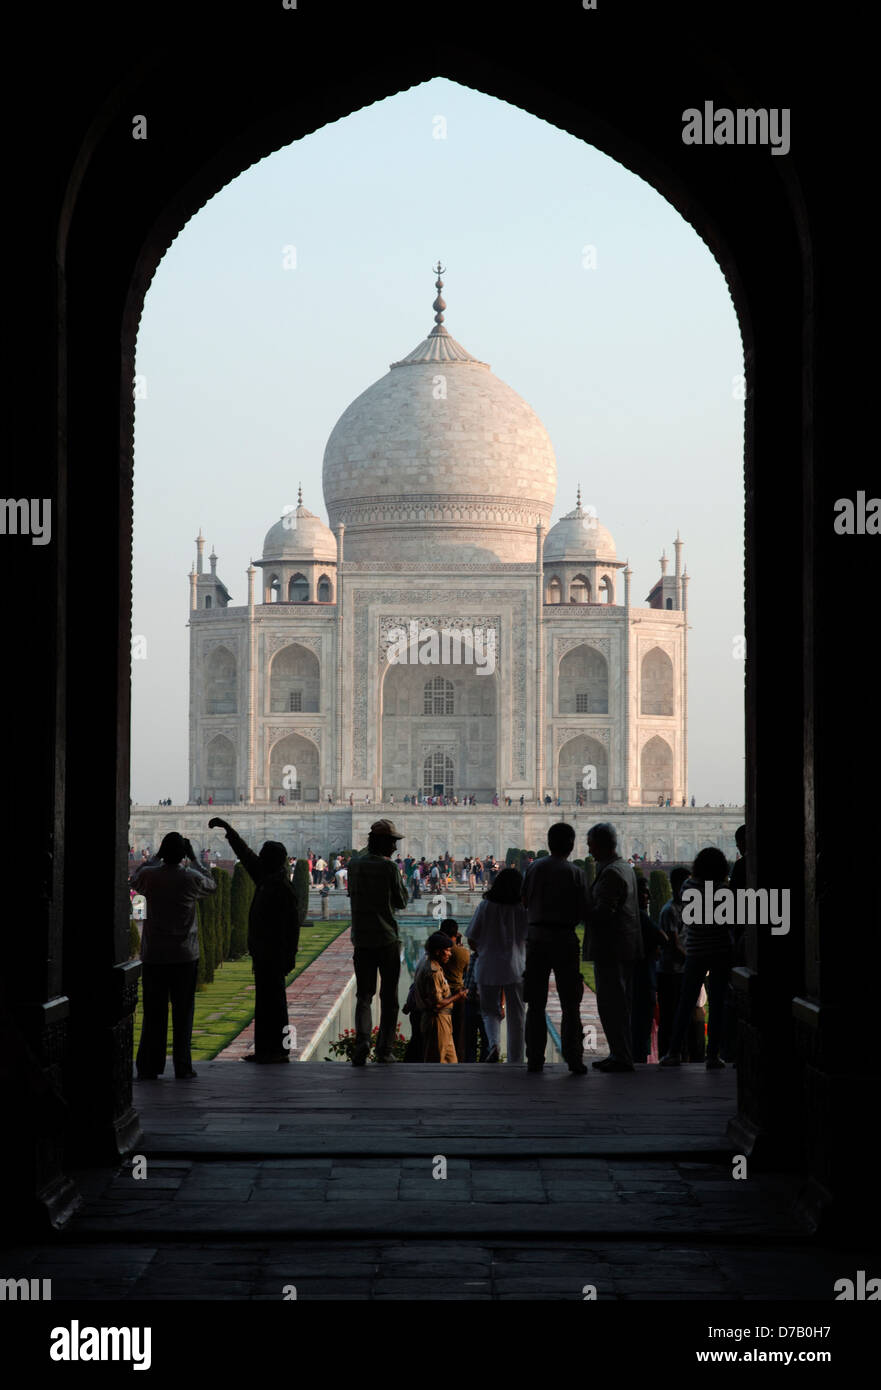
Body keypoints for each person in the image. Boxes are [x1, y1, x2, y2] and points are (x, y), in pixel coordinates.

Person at [209, 818, 301, 1062]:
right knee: (266, 1004)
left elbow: (292, 928)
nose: (259, 858)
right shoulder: (269, 879)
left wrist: (289, 955)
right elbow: (247, 856)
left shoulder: (281, 887)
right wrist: (230, 832)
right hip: (264, 954)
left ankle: (282, 1051)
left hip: (274, 955)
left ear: (272, 860)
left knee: (277, 1005)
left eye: (264, 856)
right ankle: (266, 1051)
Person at [129, 832, 216, 1080]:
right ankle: (182, 1066)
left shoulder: (150, 876)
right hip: (184, 955)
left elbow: (133, 879)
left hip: (155, 955)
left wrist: (154, 857)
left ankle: (149, 1066)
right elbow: (212, 885)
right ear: (183, 855)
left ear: (162, 853)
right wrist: (196, 860)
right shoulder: (191, 878)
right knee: (183, 1012)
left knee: (154, 1012)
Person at [522, 823, 590, 1074]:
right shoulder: (575, 872)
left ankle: (535, 1059)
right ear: (571, 845)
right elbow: (584, 908)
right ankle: (574, 1058)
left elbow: (525, 900)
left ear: (549, 842)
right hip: (564, 938)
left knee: (536, 1003)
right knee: (570, 1003)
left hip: (537, 937)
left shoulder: (533, 868)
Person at [660, 847, 732, 1069]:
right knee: (718, 1004)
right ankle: (713, 1055)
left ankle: (673, 1052)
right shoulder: (723, 889)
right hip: (720, 950)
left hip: (696, 951)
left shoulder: (688, 886)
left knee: (685, 1003)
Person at [346, 819, 409, 1065]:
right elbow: (402, 901)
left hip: (362, 938)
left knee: (364, 995)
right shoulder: (389, 868)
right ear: (384, 843)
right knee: (389, 997)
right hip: (386, 939)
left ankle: (361, 1045)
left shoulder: (354, 865)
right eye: (393, 842)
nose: (395, 847)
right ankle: (384, 1050)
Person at [583, 822, 643, 1072]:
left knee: (612, 1004)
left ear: (601, 845)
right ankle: (619, 1053)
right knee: (616, 1004)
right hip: (621, 947)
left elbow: (603, 912)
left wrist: (580, 909)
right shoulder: (621, 867)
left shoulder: (612, 873)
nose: (589, 850)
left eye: (591, 845)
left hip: (612, 948)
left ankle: (622, 1056)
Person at [466, 866, 528, 1063]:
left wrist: (485, 948)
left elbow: (472, 939)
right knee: (517, 1015)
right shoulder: (523, 908)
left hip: (488, 965)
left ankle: (494, 1044)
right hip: (516, 966)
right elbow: (529, 937)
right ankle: (515, 1059)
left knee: (489, 1011)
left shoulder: (486, 905)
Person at [413, 932, 467, 1063]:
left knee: (451, 1061)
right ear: (438, 952)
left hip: (443, 1020)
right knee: (436, 1063)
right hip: (437, 1021)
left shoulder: (433, 967)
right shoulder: (433, 972)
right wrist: (458, 996)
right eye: (447, 951)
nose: (449, 954)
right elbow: (436, 1004)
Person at [656, 866, 691, 1058]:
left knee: (682, 1015)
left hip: (683, 969)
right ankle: (666, 1054)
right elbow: (674, 942)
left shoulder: (687, 907)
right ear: (675, 885)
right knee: (669, 1017)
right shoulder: (669, 910)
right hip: (670, 971)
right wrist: (693, 961)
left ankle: (680, 1054)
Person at [631, 877, 667, 1063]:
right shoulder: (641, 916)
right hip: (644, 975)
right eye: (645, 892)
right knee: (643, 1021)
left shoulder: (630, 915)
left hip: (635, 975)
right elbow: (663, 938)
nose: (649, 896)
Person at [443, 920, 470, 1061]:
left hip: (442, 994)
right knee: (458, 1033)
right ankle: (457, 1060)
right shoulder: (463, 953)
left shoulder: (437, 950)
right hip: (458, 994)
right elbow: (467, 972)